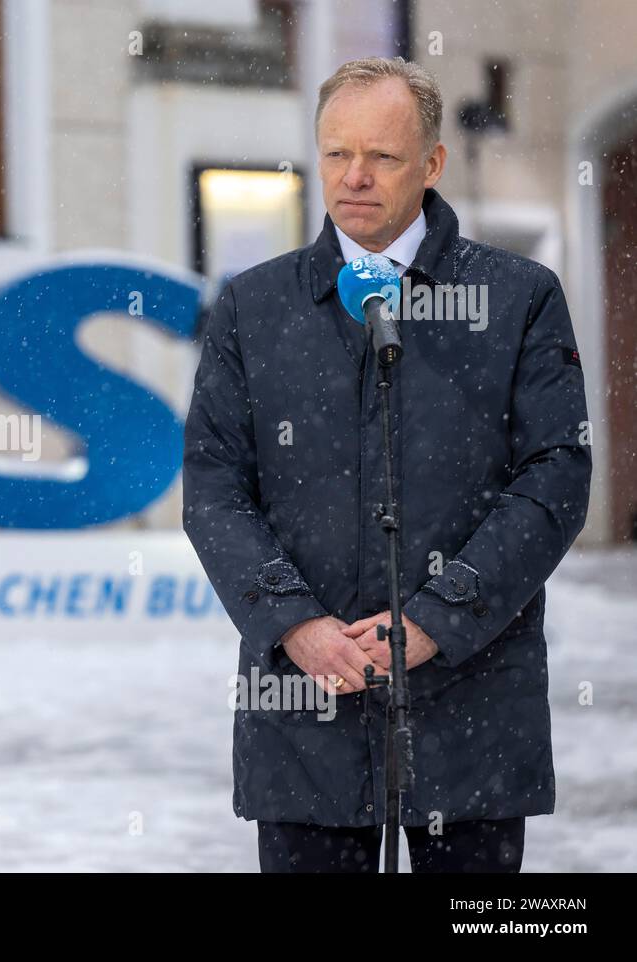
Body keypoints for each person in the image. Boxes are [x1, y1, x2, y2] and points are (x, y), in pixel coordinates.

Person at [182, 57, 591, 873]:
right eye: (336, 154)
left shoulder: (517, 298)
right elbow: (214, 487)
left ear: (432, 163)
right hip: (307, 708)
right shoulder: (253, 308)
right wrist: (293, 623)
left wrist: (441, 619)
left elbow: (556, 477)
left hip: (472, 705)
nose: (354, 177)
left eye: (383, 156)